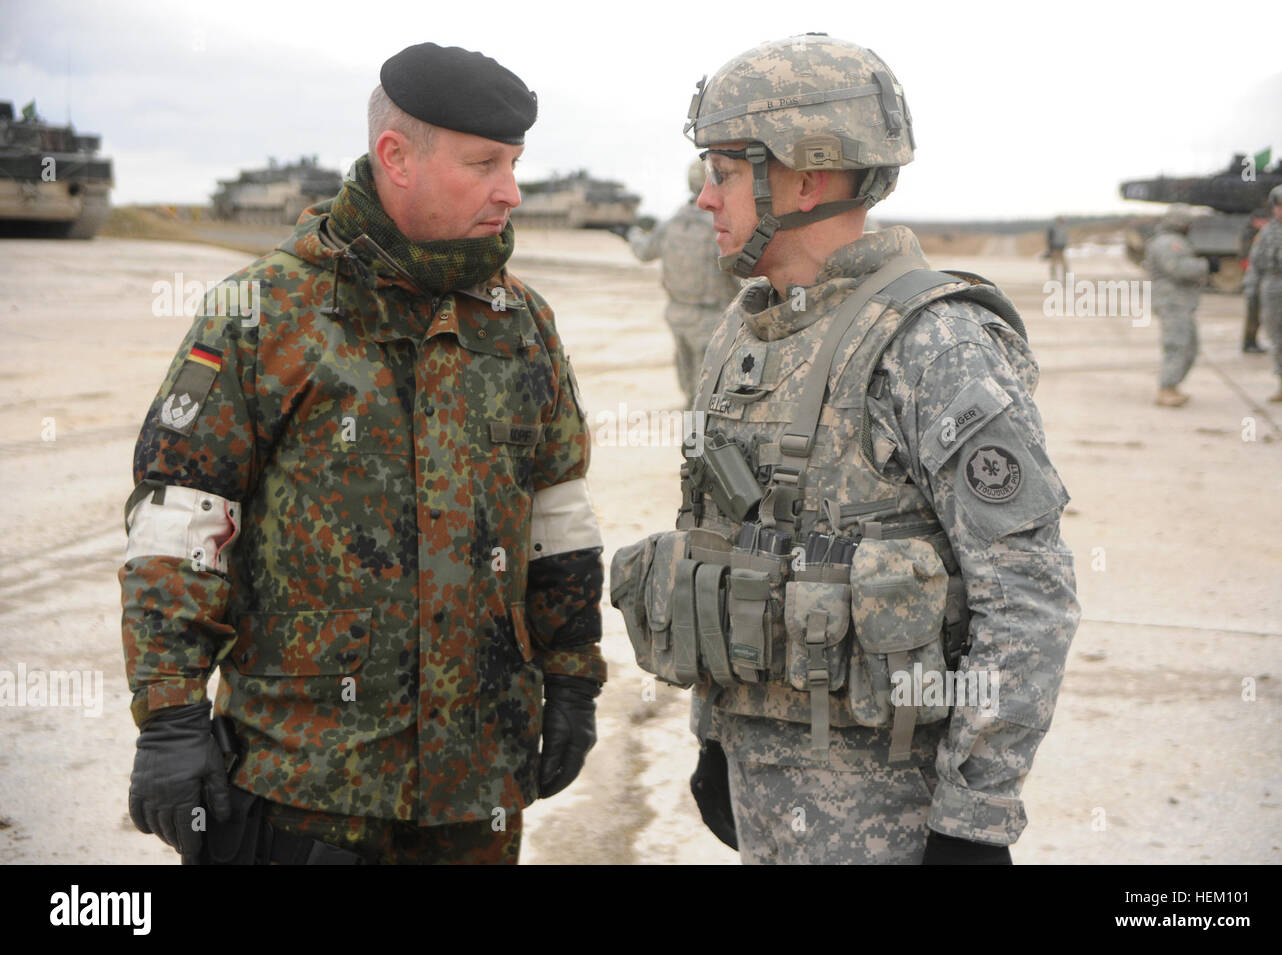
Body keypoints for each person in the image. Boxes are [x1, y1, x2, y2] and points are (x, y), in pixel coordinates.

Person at [119, 42, 606, 865]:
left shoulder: (522, 323)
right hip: (303, 786)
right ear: (396, 158)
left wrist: (572, 682)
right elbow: (181, 522)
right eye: (485, 162)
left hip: (474, 787)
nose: (510, 191)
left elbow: (557, 518)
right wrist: (169, 719)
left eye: (516, 164)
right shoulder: (265, 311)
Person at [611, 35, 1078, 864]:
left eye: (721, 173)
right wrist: (712, 736)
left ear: (805, 175)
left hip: (893, 818)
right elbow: (720, 551)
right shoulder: (744, 328)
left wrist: (974, 819)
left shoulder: (935, 342)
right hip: (766, 800)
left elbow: (1028, 597)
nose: (704, 201)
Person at [626, 160, 742, 401]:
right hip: (713, 320)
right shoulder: (719, 226)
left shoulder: (671, 224)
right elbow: (741, 275)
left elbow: (644, 252)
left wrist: (632, 234)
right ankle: (698, 436)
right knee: (710, 394)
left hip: (678, 316)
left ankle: (692, 434)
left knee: (690, 389)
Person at [1144, 204, 1209, 407]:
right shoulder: (1168, 242)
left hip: (1180, 302)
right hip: (1173, 302)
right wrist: (1205, 266)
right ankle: (1166, 388)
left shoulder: (1173, 241)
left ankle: (1172, 386)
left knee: (1190, 347)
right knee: (1177, 345)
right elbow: (1178, 268)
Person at [1250, 183, 1282, 401]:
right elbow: (1255, 262)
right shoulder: (1267, 231)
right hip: (1271, 289)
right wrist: (1251, 287)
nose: (1277, 211)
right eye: (1275, 207)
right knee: (1277, 339)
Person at [1239, 208, 1271, 354]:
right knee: (1253, 313)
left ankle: (1252, 341)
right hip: (1254, 280)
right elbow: (1245, 259)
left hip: (1263, 279)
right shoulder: (1249, 235)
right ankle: (1249, 342)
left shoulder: (1262, 234)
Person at [1046, 215, 1068, 283]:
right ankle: (1053, 279)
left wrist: (1064, 247)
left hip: (1061, 249)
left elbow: (1065, 239)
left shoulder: (1064, 228)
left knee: (1064, 265)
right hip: (1054, 249)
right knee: (1053, 264)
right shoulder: (1053, 228)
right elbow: (1049, 239)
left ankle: (1065, 279)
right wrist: (1050, 249)